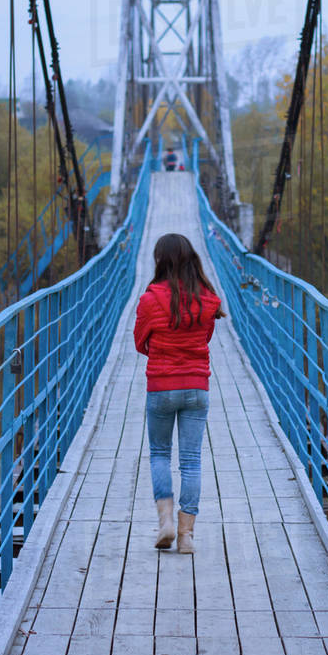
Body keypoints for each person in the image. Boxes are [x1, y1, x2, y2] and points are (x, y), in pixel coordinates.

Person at [133, 233, 226, 553]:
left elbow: (139, 342)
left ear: (159, 261)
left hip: (160, 386)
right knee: (191, 461)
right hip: (196, 387)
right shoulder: (208, 300)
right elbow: (205, 338)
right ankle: (186, 535)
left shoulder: (149, 299)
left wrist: (162, 350)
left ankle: (166, 522)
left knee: (159, 453)